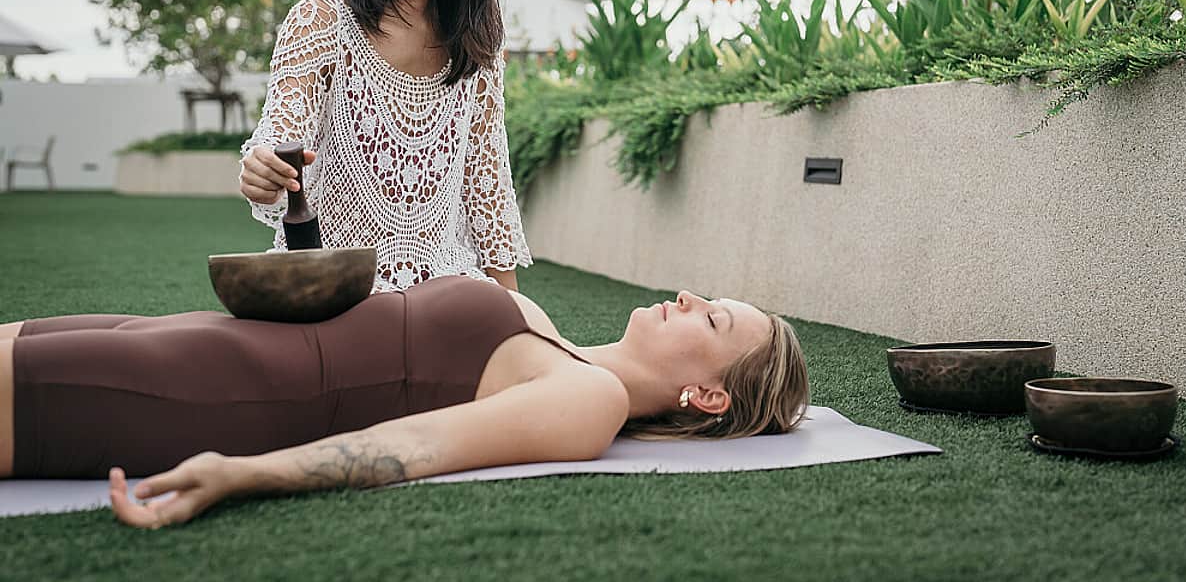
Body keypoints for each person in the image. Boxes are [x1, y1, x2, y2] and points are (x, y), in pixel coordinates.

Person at [0, 278, 809, 529]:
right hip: (178, 336)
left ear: (705, 396)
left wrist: (240, 473)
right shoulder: (553, 337)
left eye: (713, 317)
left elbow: (415, 444)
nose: (689, 295)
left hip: (195, 392)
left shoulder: (586, 398)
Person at [238, 0, 530, 293]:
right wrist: (263, 170)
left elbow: (487, 188)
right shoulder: (321, 20)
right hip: (337, 289)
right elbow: (280, 135)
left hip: (449, 292)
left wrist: (517, 316)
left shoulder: (477, 39)